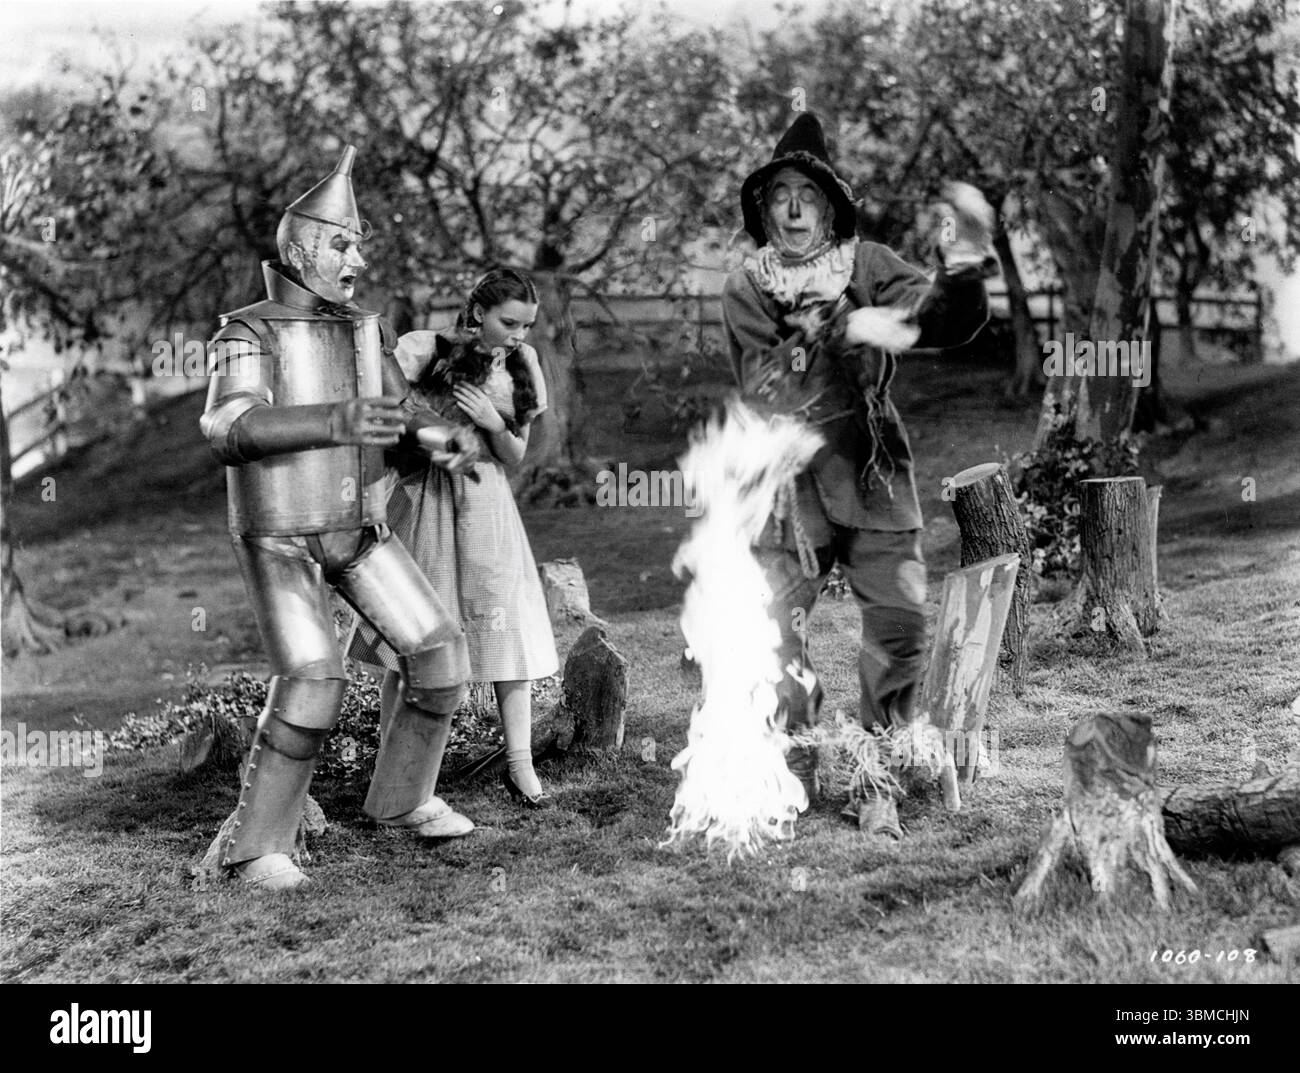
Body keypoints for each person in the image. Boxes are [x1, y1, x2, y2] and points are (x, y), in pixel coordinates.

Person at [200, 145, 482, 891]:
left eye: (359, 243)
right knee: (313, 678)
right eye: (342, 243)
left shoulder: (363, 329)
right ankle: (256, 848)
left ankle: (402, 799)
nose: (356, 257)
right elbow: (231, 427)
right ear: (299, 250)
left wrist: (434, 441)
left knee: (440, 652)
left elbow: (398, 419)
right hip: (279, 532)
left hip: (357, 526)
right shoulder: (246, 331)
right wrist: (336, 418)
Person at [720, 112, 997, 841]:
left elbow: (938, 322)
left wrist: (962, 266)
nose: (793, 208)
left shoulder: (867, 262)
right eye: (779, 193)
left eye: (807, 193)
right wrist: (827, 332)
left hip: (873, 466)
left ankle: (876, 775)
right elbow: (761, 386)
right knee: (776, 628)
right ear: (763, 207)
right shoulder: (747, 284)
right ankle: (795, 763)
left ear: (830, 204)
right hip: (788, 479)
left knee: (899, 624)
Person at [349, 268, 559, 811]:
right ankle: (397, 769)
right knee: (414, 636)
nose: (517, 334)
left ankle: (520, 764)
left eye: (526, 324)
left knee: (503, 623)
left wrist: (491, 419)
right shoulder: (430, 347)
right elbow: (378, 385)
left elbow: (514, 456)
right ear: (478, 313)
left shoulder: (522, 363)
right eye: (508, 322)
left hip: (485, 497)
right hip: (426, 496)